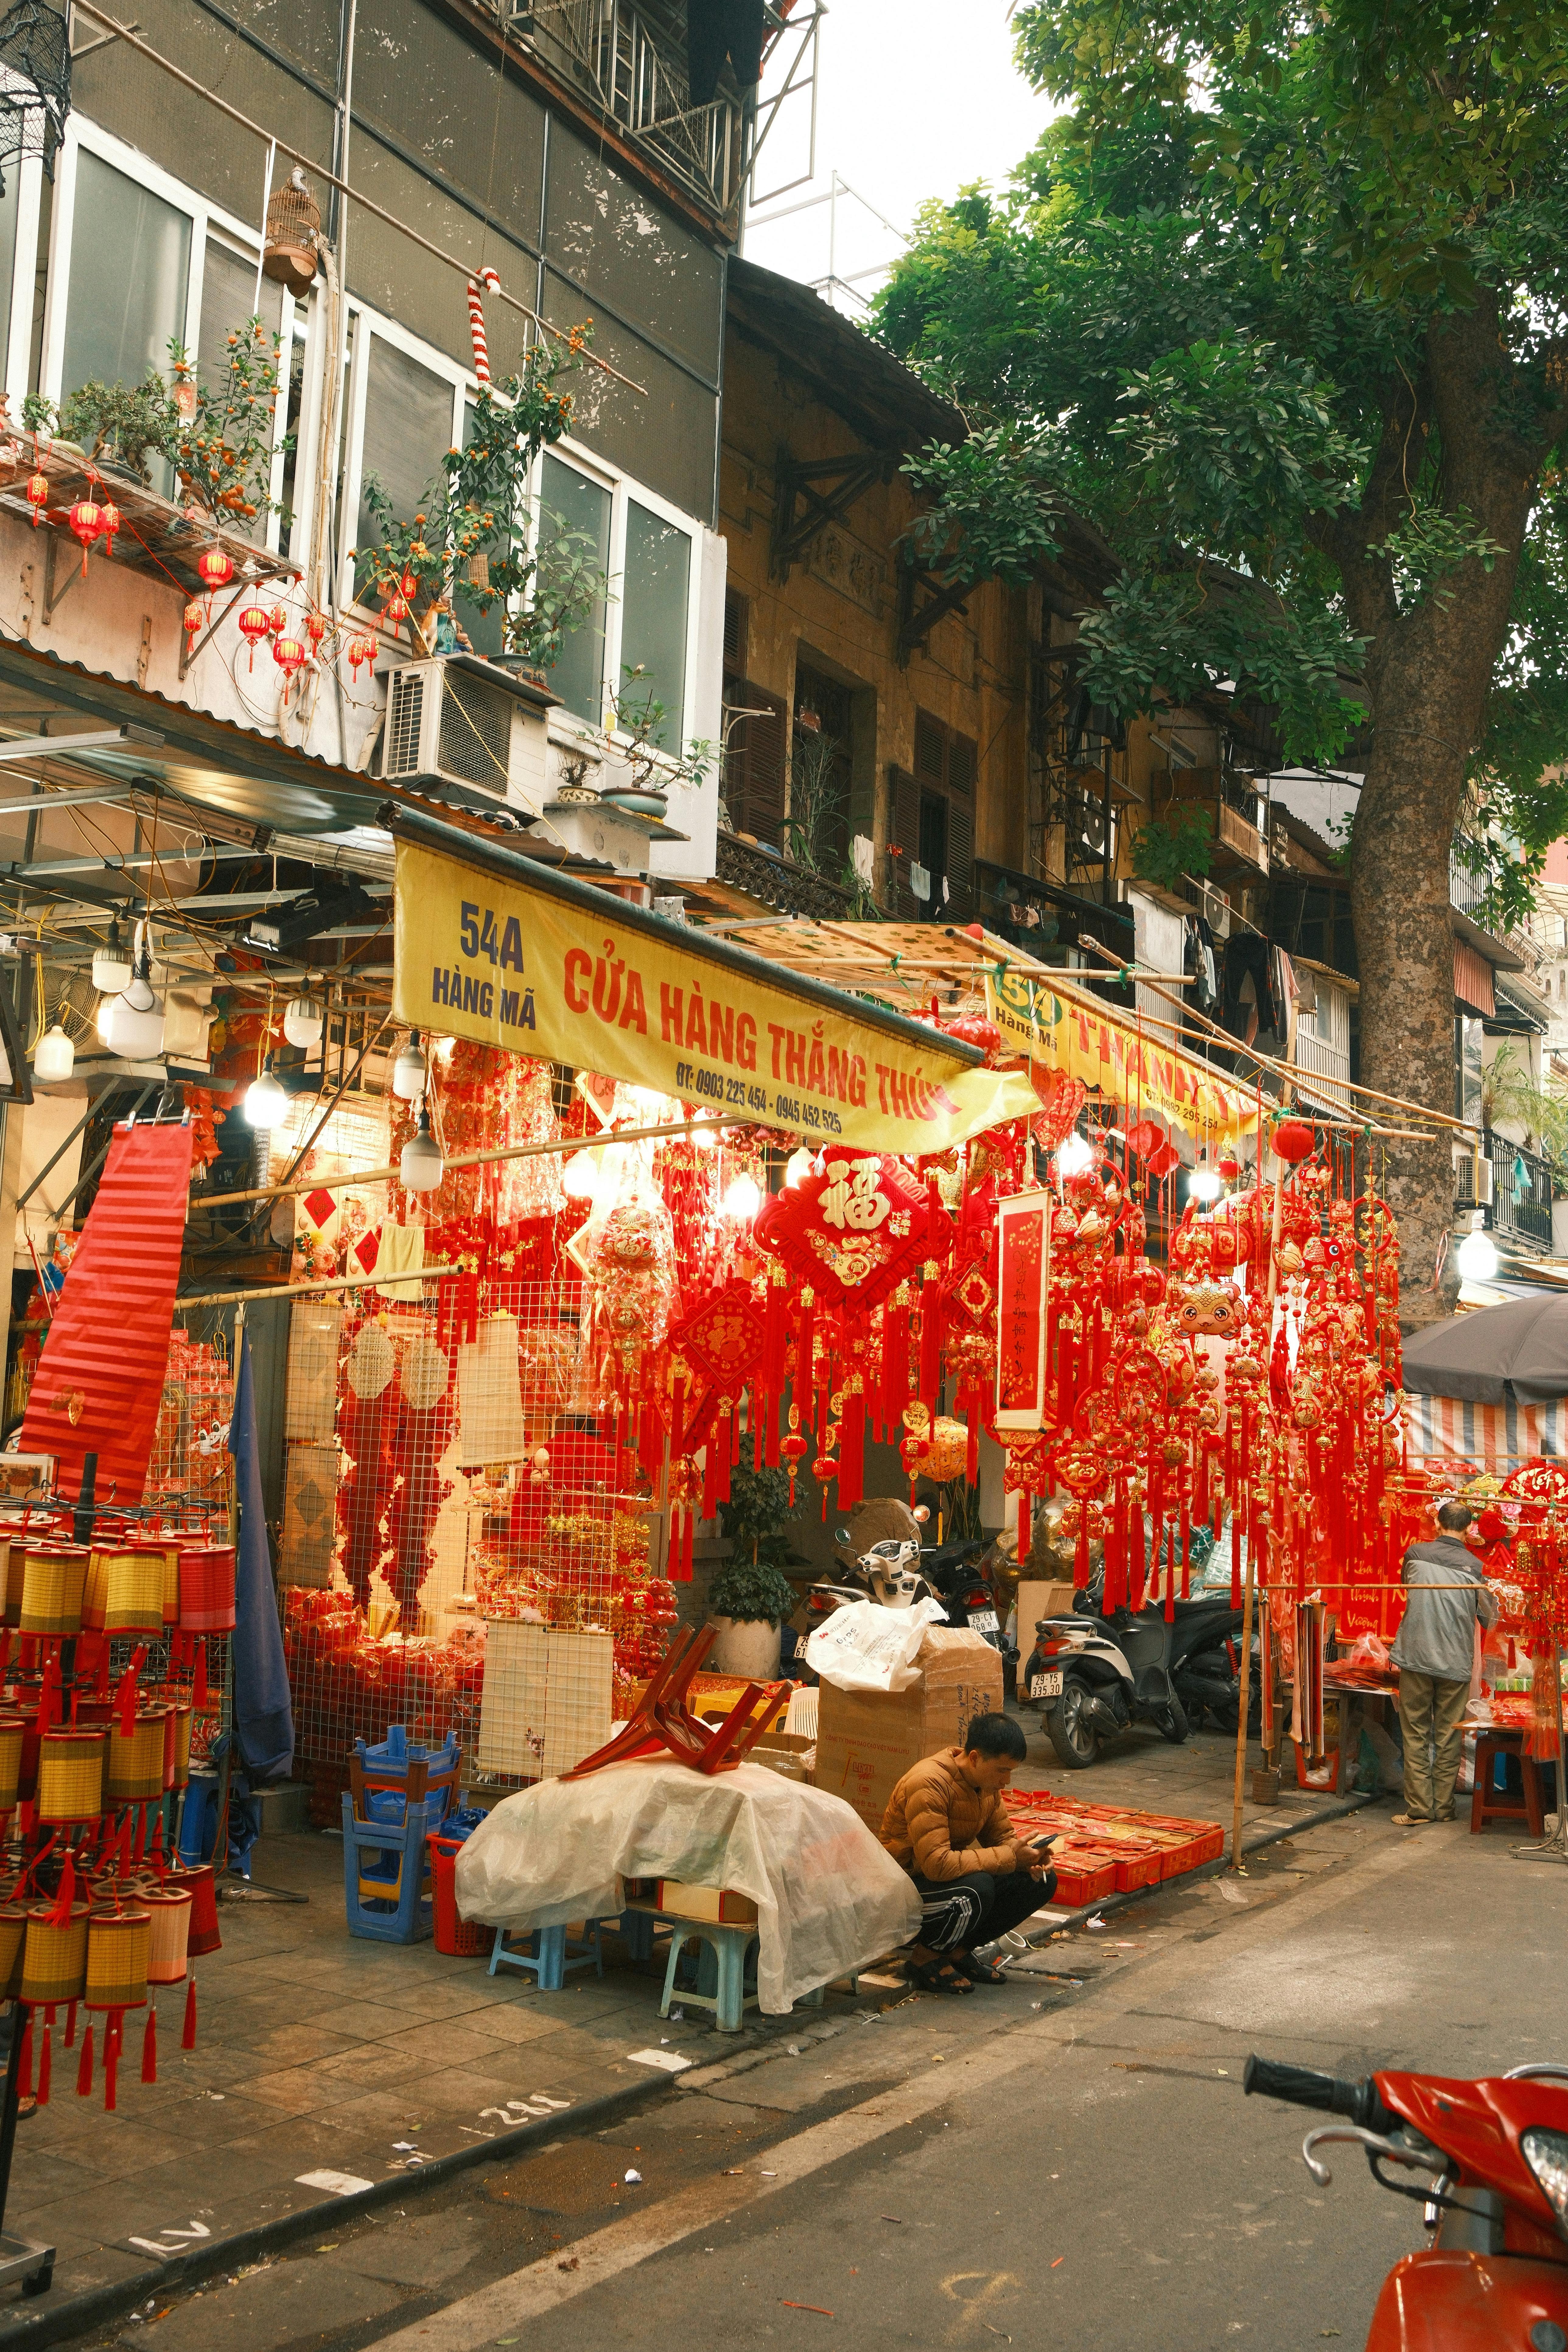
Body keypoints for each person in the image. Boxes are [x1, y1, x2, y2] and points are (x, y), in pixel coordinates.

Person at [880, 1713, 1057, 1994]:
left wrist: (1029, 1859)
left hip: (940, 1879)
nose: (1007, 1781)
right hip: (906, 1885)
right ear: (974, 1758)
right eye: (1002, 1771)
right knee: (977, 1888)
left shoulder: (986, 1784)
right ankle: (925, 1959)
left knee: (1039, 1882)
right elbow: (937, 1865)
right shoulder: (929, 1783)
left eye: (1012, 1771)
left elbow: (1003, 1839)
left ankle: (957, 1953)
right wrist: (1010, 1858)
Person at [1391, 1499, 1497, 1825]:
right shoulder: (1478, 1569)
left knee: (1415, 1733)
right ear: (1469, 1529)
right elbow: (1489, 1620)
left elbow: (1407, 1588)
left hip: (1416, 1656)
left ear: (1436, 1524)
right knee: (1449, 1734)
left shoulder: (1415, 1554)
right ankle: (1445, 1808)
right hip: (1454, 1663)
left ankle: (1419, 1810)